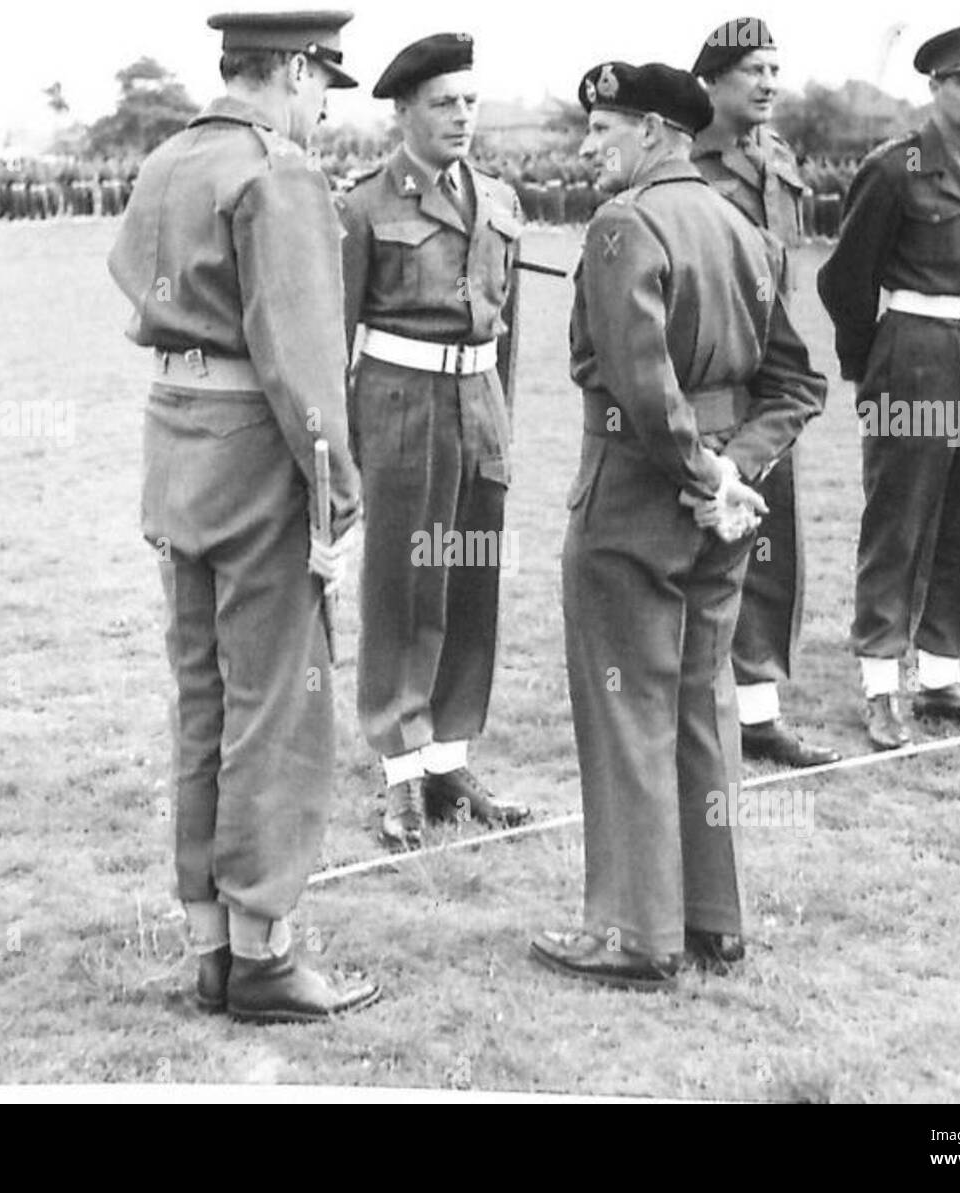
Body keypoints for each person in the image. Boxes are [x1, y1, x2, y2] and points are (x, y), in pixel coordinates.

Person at [108, 8, 379, 1023]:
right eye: (321, 86)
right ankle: (265, 952)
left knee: (205, 699)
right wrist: (335, 488)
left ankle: (211, 940)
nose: (319, 109)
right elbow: (303, 353)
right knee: (278, 701)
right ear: (297, 68)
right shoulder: (279, 170)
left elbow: (136, 288)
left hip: (176, 444)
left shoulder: (170, 158)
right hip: (261, 451)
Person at [531, 61, 825, 989]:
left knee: (628, 709)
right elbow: (796, 385)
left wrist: (706, 472)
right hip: (717, 510)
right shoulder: (746, 228)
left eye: (603, 131)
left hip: (636, 493)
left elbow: (643, 384)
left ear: (654, 132)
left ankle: (634, 931)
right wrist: (734, 476)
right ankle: (711, 921)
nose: (587, 148)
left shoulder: (626, 224)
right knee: (702, 703)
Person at [337, 32, 530, 850]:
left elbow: (507, 327)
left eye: (470, 101)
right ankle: (403, 775)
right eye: (444, 102)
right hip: (402, 408)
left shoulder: (498, 198)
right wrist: (346, 447)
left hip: (477, 404)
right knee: (405, 588)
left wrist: (501, 418)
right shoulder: (364, 206)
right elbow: (333, 335)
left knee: (471, 586)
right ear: (404, 111)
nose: (461, 115)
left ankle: (450, 761)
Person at [817, 24, 960, 751]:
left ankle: (940, 678)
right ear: (934, 87)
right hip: (915, 350)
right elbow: (845, 279)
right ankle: (880, 685)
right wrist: (871, 365)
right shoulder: (896, 167)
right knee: (900, 519)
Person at [691, 17, 840, 770]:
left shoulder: (775, 159)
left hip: (770, 374)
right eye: (752, 68)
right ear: (712, 80)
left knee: (772, 550)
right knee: (699, 541)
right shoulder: (688, 162)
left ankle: (758, 714)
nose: (769, 82)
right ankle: (693, 703)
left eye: (775, 68)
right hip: (709, 372)